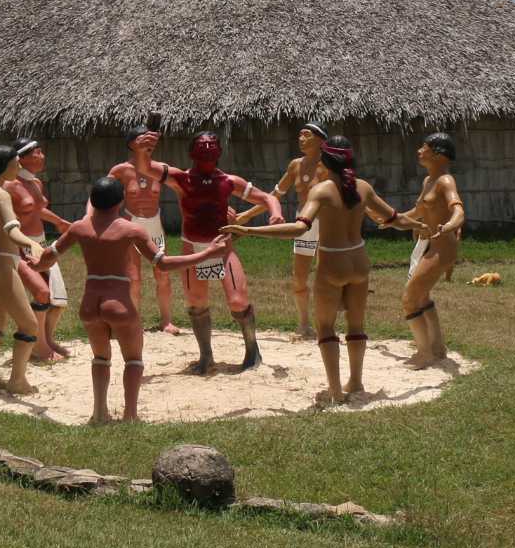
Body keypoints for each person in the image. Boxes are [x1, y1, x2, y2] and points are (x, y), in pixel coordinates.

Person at [226, 137, 405, 404]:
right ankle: (356, 381)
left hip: (333, 262)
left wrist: (249, 229)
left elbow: (299, 227)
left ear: (325, 160)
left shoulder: (321, 191)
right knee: (356, 325)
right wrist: (422, 226)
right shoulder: (363, 187)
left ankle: (334, 391)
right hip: (359, 261)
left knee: (325, 327)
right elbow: (396, 218)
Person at [37, 177, 225, 424]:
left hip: (90, 302)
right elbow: (164, 264)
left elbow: (48, 257)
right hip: (119, 302)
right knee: (133, 359)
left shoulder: (79, 228)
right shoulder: (130, 229)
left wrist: (33, 264)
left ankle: (99, 413)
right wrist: (208, 253)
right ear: (120, 201)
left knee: (100, 358)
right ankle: (130, 415)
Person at [163, 131, 281, 373]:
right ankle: (206, 355)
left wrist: (275, 212)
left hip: (222, 249)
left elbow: (266, 197)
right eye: (201, 145)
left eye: (211, 145)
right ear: (192, 151)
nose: (206, 148)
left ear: (218, 151)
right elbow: (150, 168)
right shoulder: (181, 179)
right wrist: (145, 143)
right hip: (192, 248)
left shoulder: (228, 181)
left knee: (238, 301)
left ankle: (252, 350)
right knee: (196, 301)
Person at [0, 143, 47, 396]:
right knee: (29, 325)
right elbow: (11, 229)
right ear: (4, 167)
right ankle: (17, 380)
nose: (18, 167)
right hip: (2, 265)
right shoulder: (2, 194)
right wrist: (30, 243)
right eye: (15, 164)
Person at [395, 133, 463, 368]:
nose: (419, 151)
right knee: (422, 297)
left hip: (442, 249)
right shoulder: (428, 181)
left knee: (410, 299)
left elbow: (458, 210)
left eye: (423, 147)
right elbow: (417, 213)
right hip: (431, 247)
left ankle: (424, 353)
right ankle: (437, 347)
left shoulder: (445, 181)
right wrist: (391, 219)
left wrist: (451, 225)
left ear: (438, 154)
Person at [108, 130, 183, 334]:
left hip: (154, 225)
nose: (148, 143)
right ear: (132, 144)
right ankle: (133, 320)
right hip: (132, 223)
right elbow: (102, 194)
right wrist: (95, 219)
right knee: (133, 276)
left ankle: (166, 321)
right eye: (142, 140)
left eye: (151, 140)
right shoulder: (121, 170)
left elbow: (183, 188)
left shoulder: (161, 170)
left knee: (163, 273)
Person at [5, 138, 72, 361]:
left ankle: (47, 339)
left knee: (58, 299)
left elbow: (37, 210)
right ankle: (39, 345)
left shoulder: (35, 183)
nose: (42, 157)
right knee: (42, 292)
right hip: (22, 245)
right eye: (37, 153)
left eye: (42, 152)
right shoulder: (9, 186)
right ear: (21, 159)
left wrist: (59, 221)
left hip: (41, 244)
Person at [269, 122, 327, 339]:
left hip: (327, 223)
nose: (301, 138)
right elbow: (274, 195)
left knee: (326, 277)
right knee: (299, 278)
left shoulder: (329, 164)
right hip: (303, 224)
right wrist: (246, 216)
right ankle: (304, 325)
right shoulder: (295, 165)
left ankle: (325, 325)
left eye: (307, 135)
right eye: (300, 135)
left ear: (321, 140)